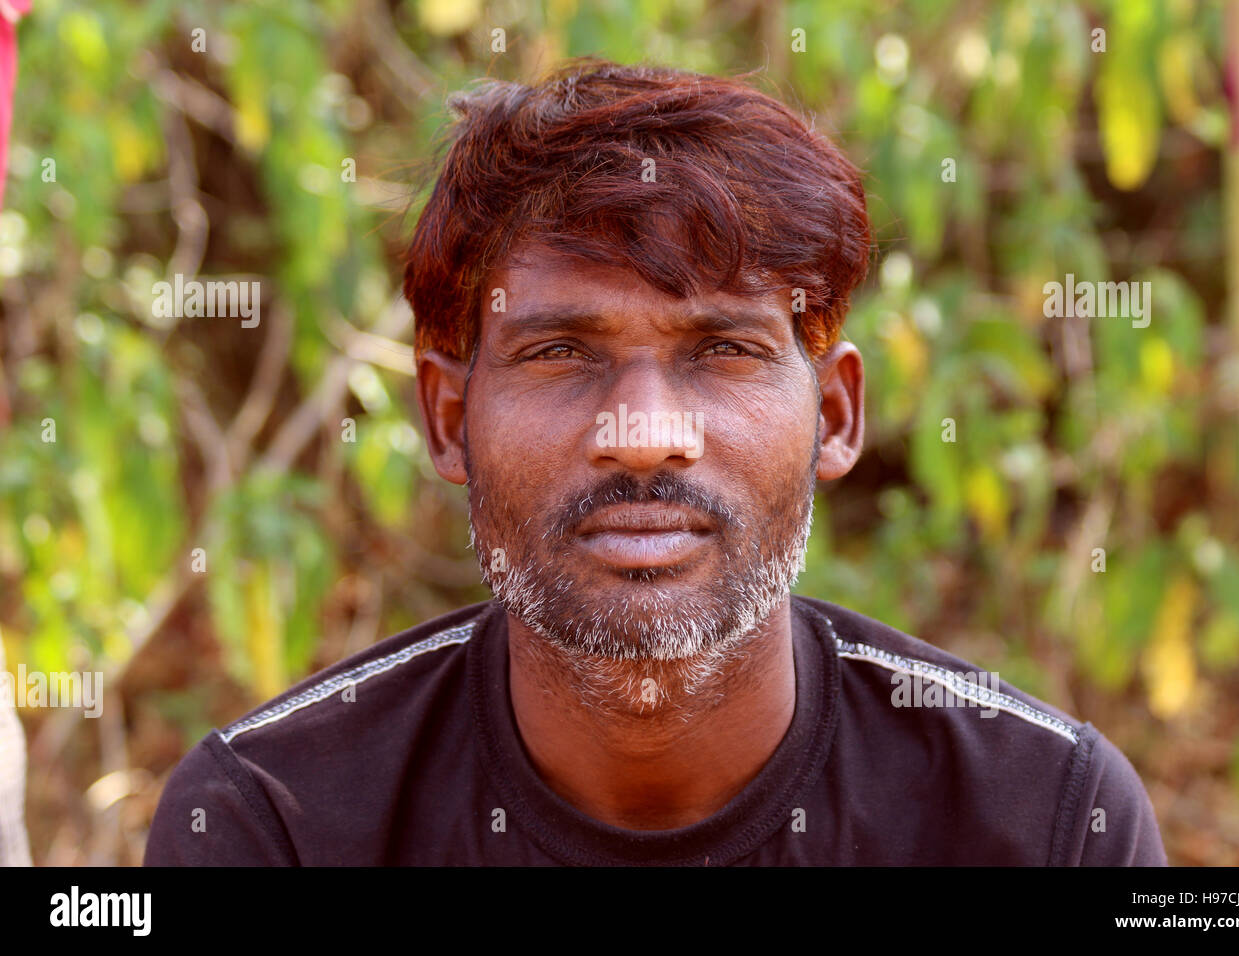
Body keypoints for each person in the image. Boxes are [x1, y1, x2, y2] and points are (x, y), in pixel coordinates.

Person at [144, 58, 1166, 866]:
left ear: (836, 414)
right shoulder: (271, 822)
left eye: (723, 349)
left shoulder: (1045, 822)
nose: (641, 433)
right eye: (559, 353)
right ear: (449, 419)